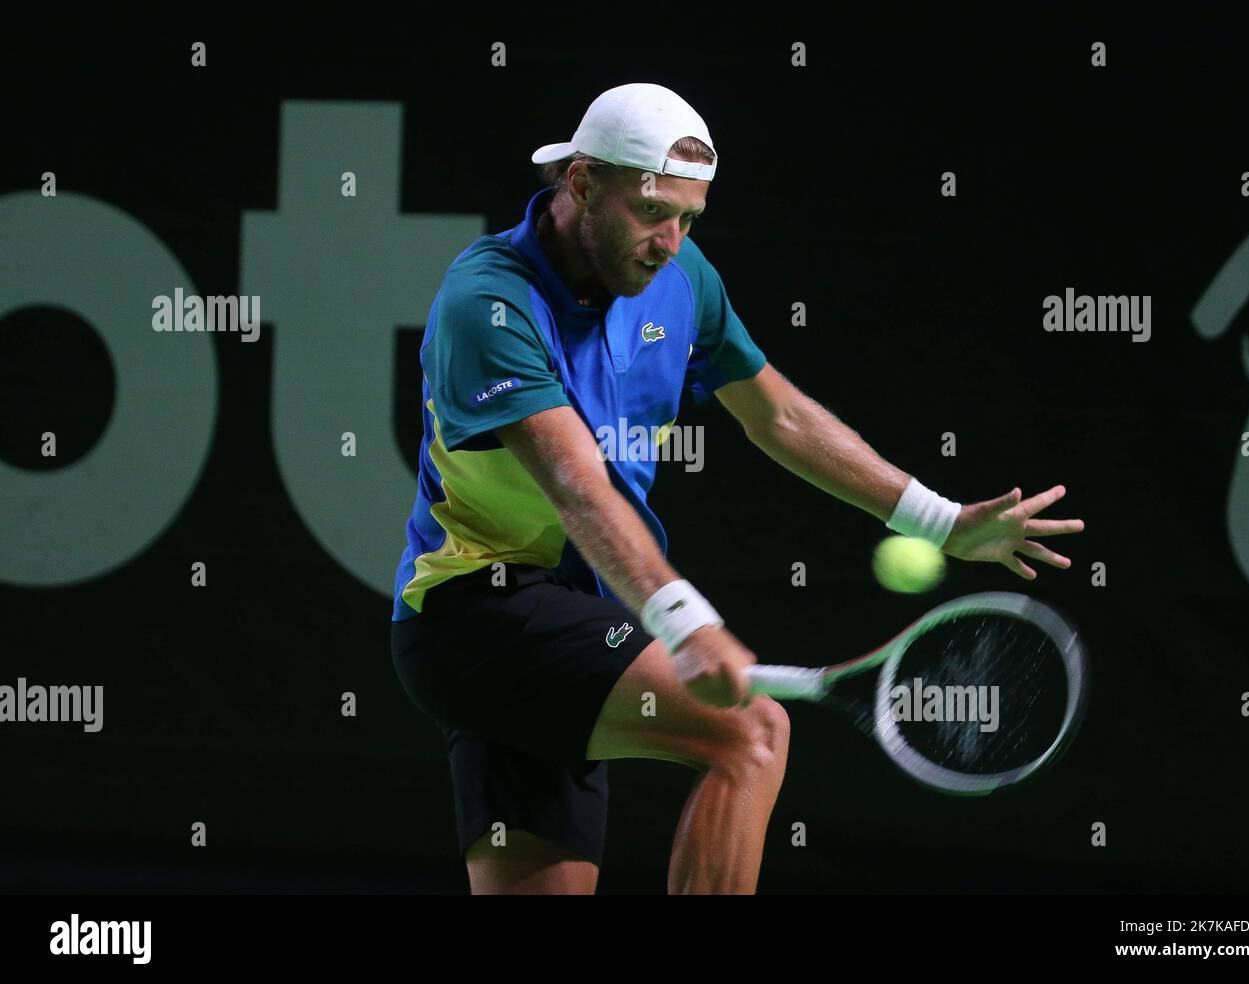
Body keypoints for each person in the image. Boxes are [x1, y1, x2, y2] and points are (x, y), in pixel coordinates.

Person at [390, 82, 1084, 894]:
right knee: (752, 732)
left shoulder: (681, 280)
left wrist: (943, 521)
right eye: (653, 213)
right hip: (480, 613)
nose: (670, 242)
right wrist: (686, 623)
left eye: (689, 219)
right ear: (581, 183)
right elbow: (579, 489)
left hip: (578, 620)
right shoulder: (489, 303)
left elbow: (778, 417)